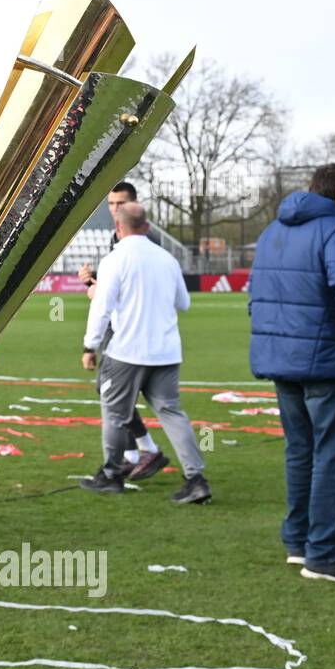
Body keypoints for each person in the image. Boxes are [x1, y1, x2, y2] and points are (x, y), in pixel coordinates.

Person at [248, 163, 335, 583]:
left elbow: (256, 290)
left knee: (299, 449)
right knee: (332, 453)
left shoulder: (272, 230)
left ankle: (298, 540)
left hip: (280, 356)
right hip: (323, 357)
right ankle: (322, 553)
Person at [79, 202, 211, 503]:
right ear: (147, 227)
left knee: (115, 413)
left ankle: (112, 475)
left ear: (118, 227)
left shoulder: (115, 259)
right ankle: (196, 479)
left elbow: (101, 308)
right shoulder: (167, 258)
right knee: (172, 413)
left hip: (127, 351)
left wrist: (90, 346)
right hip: (166, 351)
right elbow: (184, 303)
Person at [77, 181, 165, 480]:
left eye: (121, 203)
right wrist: (93, 281)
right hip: (119, 328)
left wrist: (99, 293)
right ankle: (133, 454)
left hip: (133, 330)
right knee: (111, 392)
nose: (115, 209)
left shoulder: (145, 241)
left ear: (134, 204)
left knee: (112, 392)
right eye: (112, 204)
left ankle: (145, 451)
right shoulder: (116, 239)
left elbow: (140, 288)